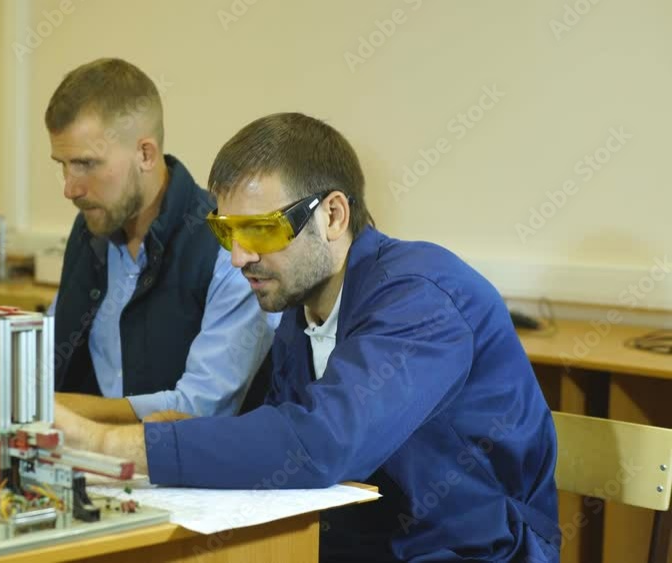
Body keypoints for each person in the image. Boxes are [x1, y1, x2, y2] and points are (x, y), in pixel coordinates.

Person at [54, 113, 560, 562]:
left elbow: (321, 443)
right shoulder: (302, 306)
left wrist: (103, 442)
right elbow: (285, 435)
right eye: (227, 232)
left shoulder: (420, 297)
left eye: (259, 229)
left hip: (473, 550)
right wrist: (190, 433)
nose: (239, 257)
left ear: (333, 215)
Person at [45, 58, 278, 423]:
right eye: (62, 165)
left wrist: (48, 408)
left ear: (145, 154)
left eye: (86, 164)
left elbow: (197, 410)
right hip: (86, 453)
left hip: (183, 459)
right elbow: (49, 354)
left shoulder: (228, 249)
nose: (70, 189)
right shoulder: (91, 229)